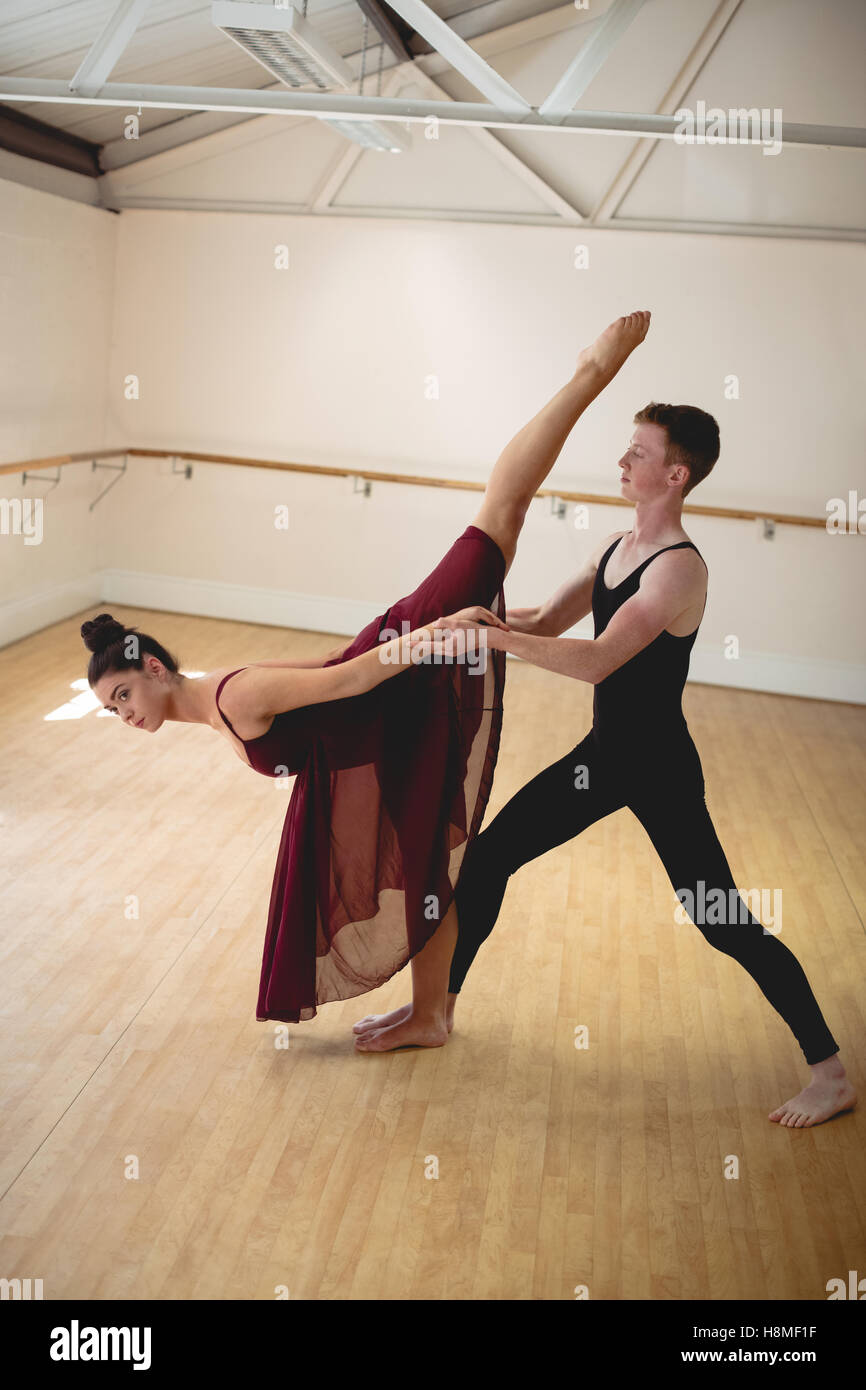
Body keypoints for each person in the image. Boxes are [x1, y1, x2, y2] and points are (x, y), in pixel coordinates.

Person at [84, 311, 654, 1035]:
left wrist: (434, 632)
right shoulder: (218, 697)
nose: (124, 712)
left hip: (399, 672)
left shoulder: (237, 697)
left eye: (123, 694)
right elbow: (329, 663)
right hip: (389, 708)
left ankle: (591, 370)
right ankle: (431, 1014)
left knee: (496, 516)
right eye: (111, 708)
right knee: (423, 872)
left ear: (156, 669)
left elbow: (348, 679)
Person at [353, 396, 857, 1131]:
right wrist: (469, 616)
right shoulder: (617, 548)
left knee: (722, 921)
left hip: (657, 769)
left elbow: (594, 662)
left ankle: (832, 1075)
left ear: (676, 474)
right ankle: (437, 1014)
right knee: (487, 861)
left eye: (639, 454)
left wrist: (492, 643)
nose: (622, 461)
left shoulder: (679, 571)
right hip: (602, 760)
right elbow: (546, 622)